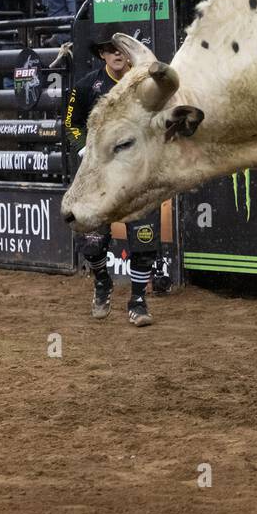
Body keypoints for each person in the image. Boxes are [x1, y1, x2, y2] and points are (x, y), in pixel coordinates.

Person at [65, 25, 168, 327]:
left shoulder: (144, 86)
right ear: (102, 54)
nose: (117, 54)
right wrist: (85, 148)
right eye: (110, 50)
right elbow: (70, 123)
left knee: (144, 238)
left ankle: (138, 300)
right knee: (93, 241)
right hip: (99, 174)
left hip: (136, 172)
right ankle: (102, 281)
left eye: (121, 49)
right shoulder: (87, 86)